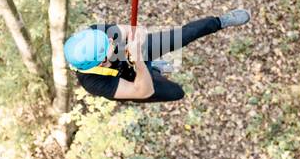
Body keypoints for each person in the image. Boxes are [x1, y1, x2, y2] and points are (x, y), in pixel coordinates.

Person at [62, 10, 251, 102]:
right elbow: (143, 92)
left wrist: (135, 45)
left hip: (135, 51)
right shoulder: (93, 82)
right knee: (176, 93)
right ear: (102, 62)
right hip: (129, 78)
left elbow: (136, 30)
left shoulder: (96, 35)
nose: (111, 40)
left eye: (108, 39)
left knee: (181, 36)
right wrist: (139, 65)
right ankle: (153, 69)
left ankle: (219, 21)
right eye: (108, 45)